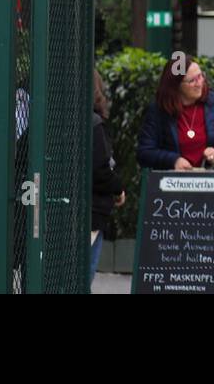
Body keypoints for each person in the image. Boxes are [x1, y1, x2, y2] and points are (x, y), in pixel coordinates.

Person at [136, 57, 214, 170]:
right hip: (172, 183)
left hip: (212, 183)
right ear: (176, 86)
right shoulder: (159, 110)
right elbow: (144, 152)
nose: (199, 83)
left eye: (200, 76)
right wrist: (173, 160)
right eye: (192, 80)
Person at [90, 69, 125, 287]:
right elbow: (100, 170)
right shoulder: (94, 124)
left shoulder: (55, 117)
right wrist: (118, 188)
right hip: (92, 209)